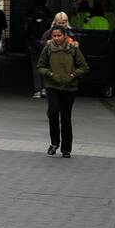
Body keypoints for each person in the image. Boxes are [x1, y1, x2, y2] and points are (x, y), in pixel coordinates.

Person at [38, 26, 89, 158]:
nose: (56, 38)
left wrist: (73, 75)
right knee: (53, 112)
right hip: (52, 86)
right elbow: (40, 66)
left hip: (69, 87)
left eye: (59, 35)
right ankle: (54, 143)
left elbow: (84, 67)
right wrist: (49, 73)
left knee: (66, 118)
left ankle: (66, 149)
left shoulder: (73, 48)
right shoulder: (48, 49)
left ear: (65, 36)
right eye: (54, 36)